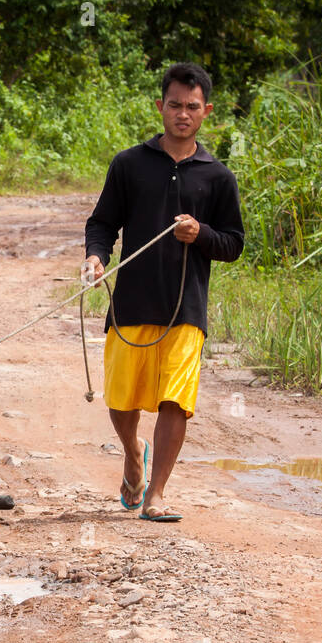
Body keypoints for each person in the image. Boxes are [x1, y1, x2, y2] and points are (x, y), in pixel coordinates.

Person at [83, 62, 245, 521]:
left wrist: (203, 235)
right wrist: (96, 257)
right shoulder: (129, 164)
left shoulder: (218, 177)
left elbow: (233, 243)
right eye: (174, 105)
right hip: (131, 300)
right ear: (160, 106)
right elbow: (102, 223)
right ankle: (134, 453)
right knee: (121, 399)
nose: (182, 114)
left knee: (177, 400)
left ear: (206, 111)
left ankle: (155, 496)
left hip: (186, 308)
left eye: (192, 107)